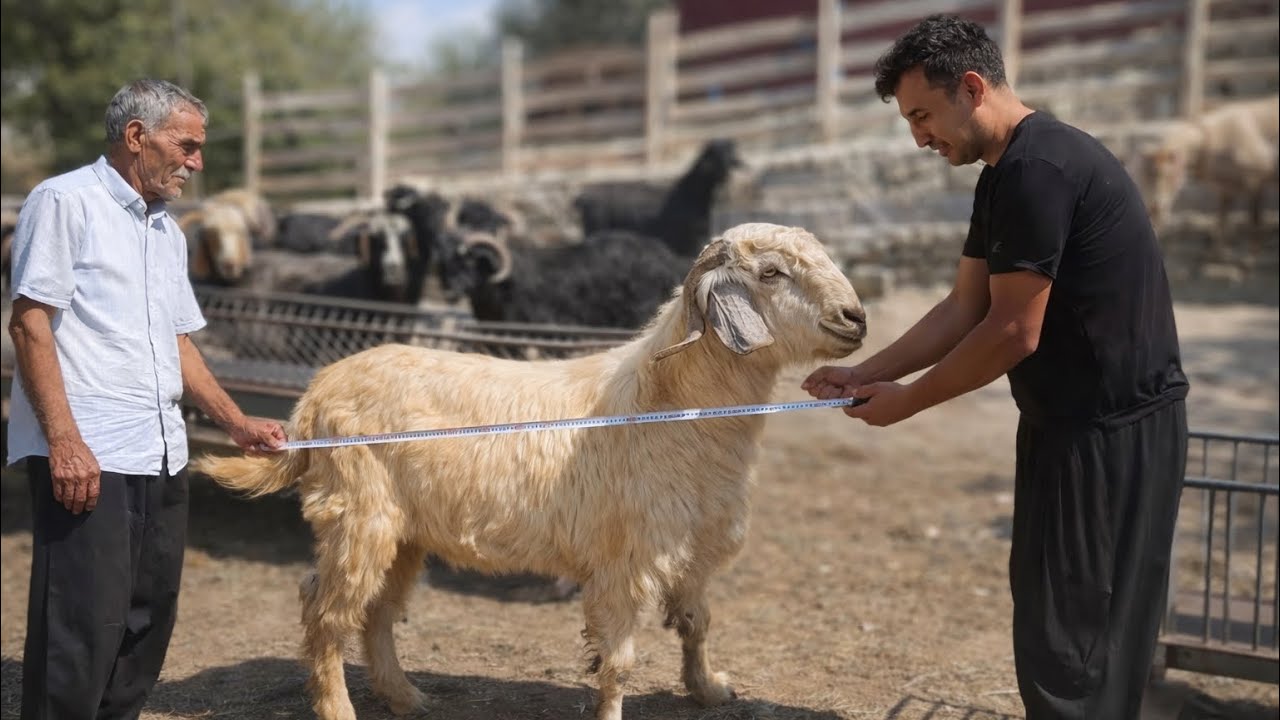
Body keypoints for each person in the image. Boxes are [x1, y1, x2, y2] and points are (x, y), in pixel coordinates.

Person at [802, 15, 1189, 720]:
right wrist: (865, 373)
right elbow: (962, 309)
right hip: (1065, 427)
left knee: (1080, 646)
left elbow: (1013, 331)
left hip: (1110, 435)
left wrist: (909, 402)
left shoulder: (1038, 171)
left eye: (923, 115)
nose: (919, 137)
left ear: (972, 88)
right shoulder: (1002, 174)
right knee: (1054, 626)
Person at [6, 78, 288, 719]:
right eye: (186, 145)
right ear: (137, 137)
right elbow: (29, 323)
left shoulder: (168, 231)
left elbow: (178, 342)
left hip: (161, 450)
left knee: (146, 620)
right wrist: (64, 442)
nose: (197, 161)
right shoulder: (65, 201)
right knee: (80, 625)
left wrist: (237, 422)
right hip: (89, 452)